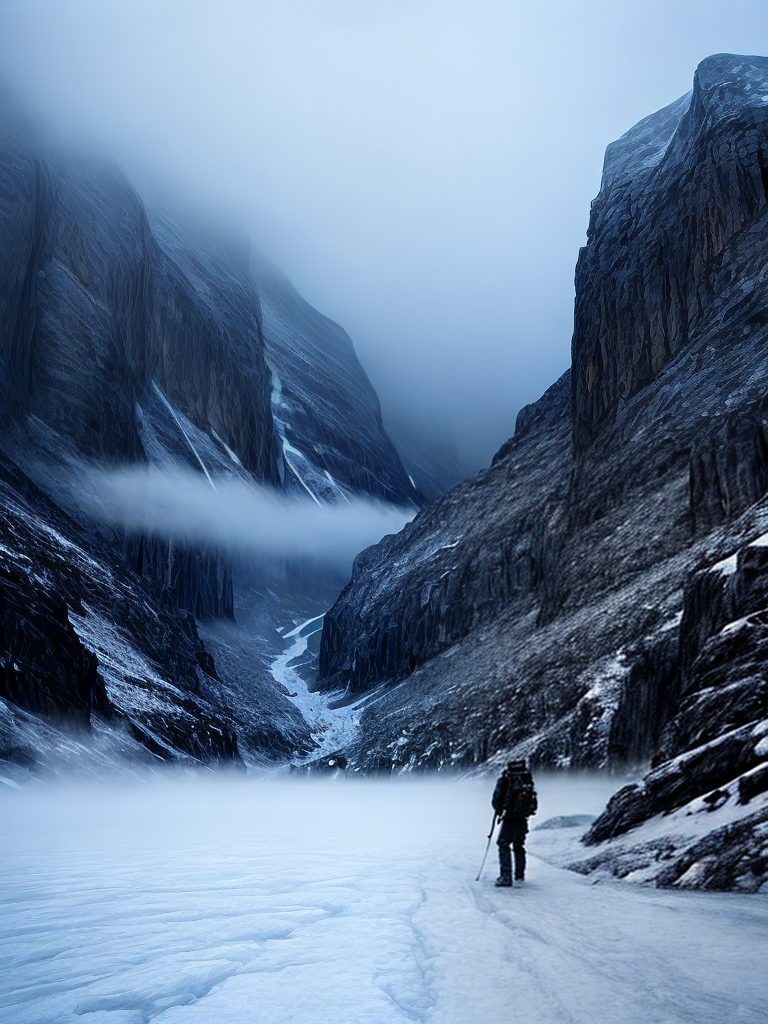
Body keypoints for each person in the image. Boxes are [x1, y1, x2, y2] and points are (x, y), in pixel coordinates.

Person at [491, 758, 537, 887]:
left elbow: (497, 798)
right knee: (519, 845)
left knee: (503, 843)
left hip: (509, 817)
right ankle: (519, 874)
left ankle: (506, 877)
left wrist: (499, 811)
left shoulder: (506, 778)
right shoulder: (526, 777)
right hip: (523, 817)